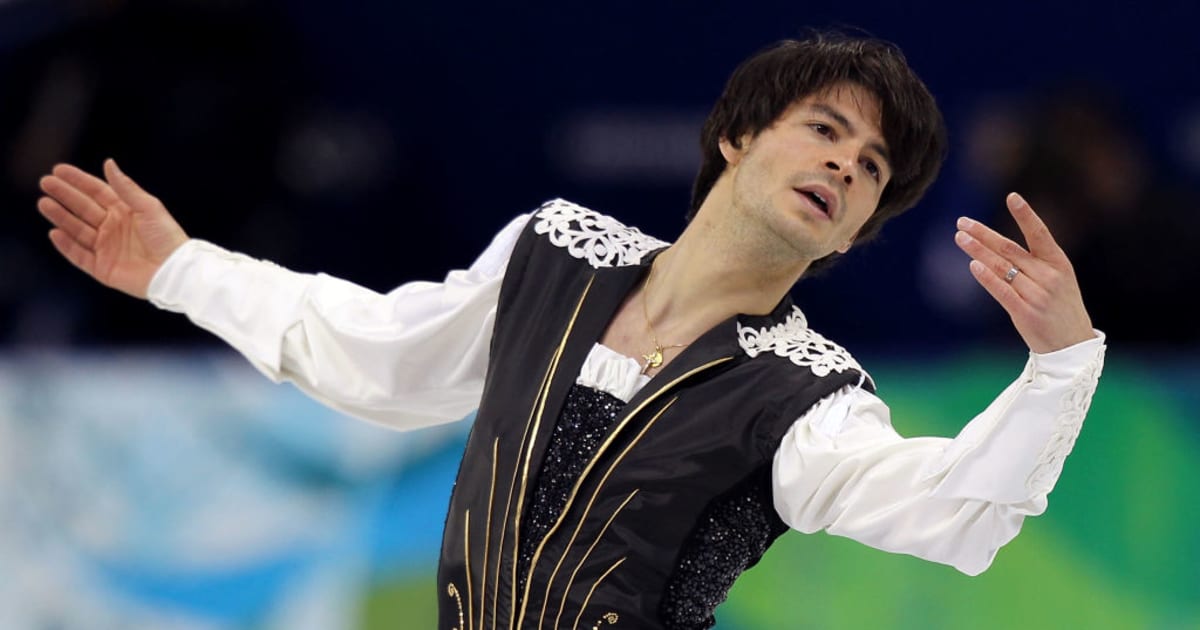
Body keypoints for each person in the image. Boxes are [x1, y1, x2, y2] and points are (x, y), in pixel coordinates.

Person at [35, 33, 1104, 630]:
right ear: (735, 138)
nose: (842, 166)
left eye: (870, 171)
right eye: (824, 131)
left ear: (861, 229)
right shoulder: (552, 253)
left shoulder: (810, 399)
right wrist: (180, 267)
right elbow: (377, 357)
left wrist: (1061, 364)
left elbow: (960, 518)